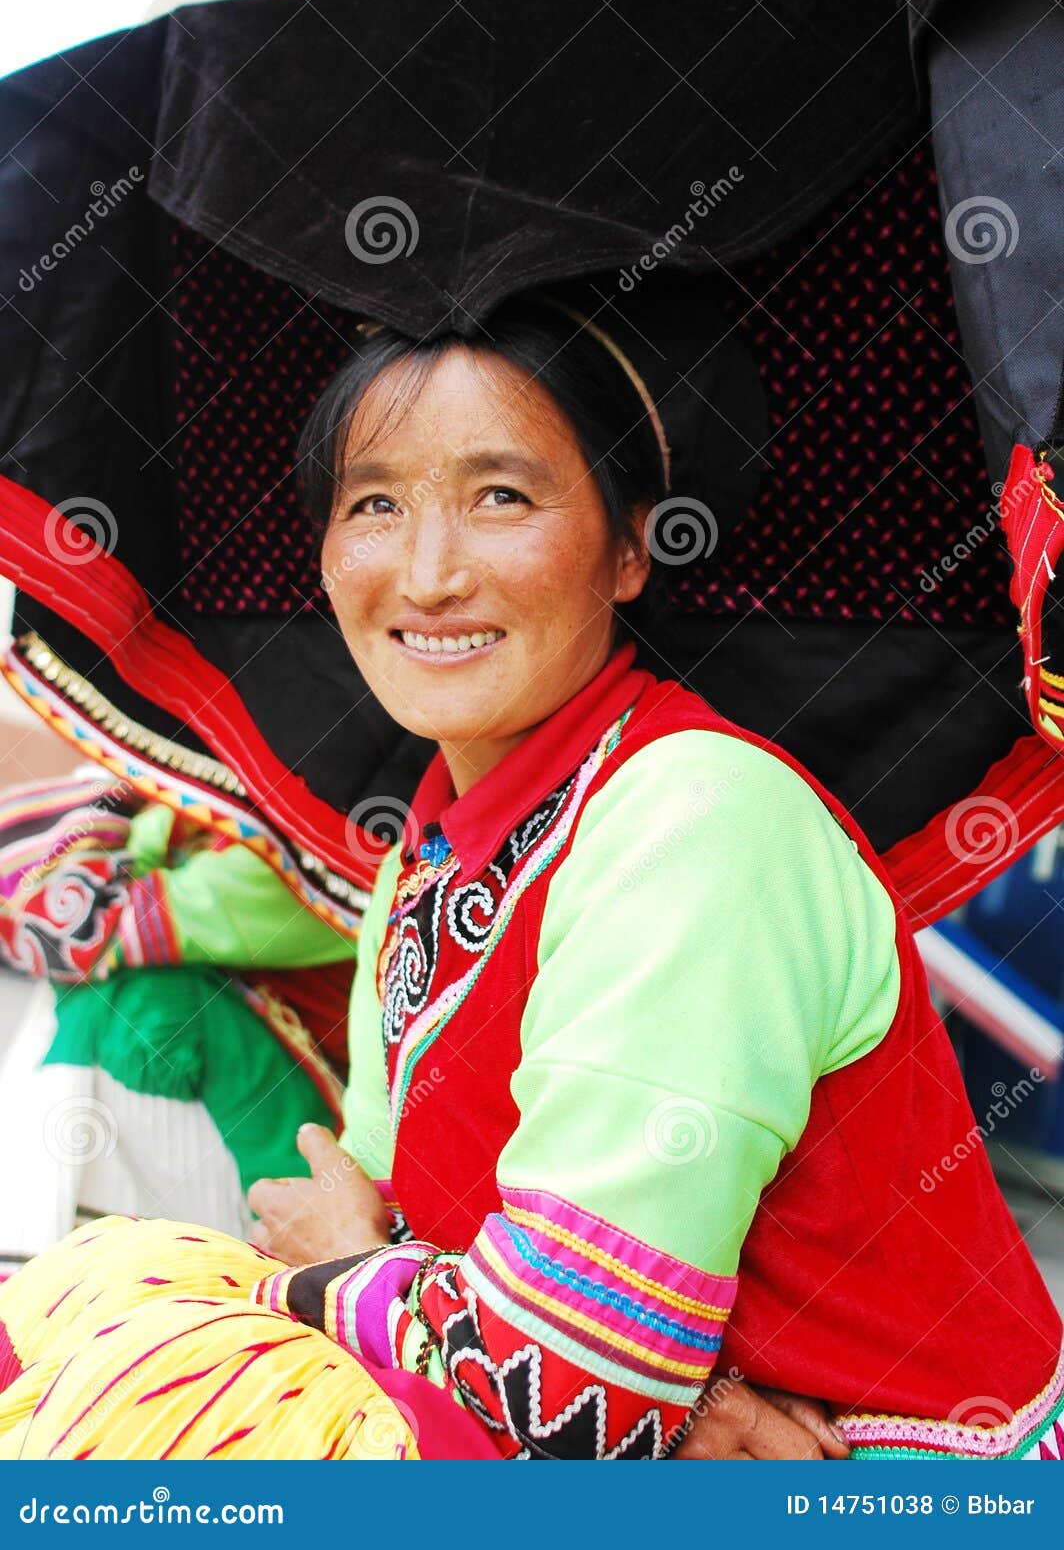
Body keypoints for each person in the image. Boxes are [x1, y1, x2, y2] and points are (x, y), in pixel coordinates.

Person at [0, 294, 1061, 1461]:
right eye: (374, 504)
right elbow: (399, 1211)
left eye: (500, 496)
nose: (429, 571)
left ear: (626, 546)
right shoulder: (430, 842)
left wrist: (348, 1273)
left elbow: (564, 1388)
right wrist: (420, 1278)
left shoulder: (696, 816)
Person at [0, 770, 357, 1251]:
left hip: (315, 1124)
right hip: (223, 1094)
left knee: (140, 1004)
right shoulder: (202, 803)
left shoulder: (315, 838)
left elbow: (85, 932)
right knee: (88, 1001)